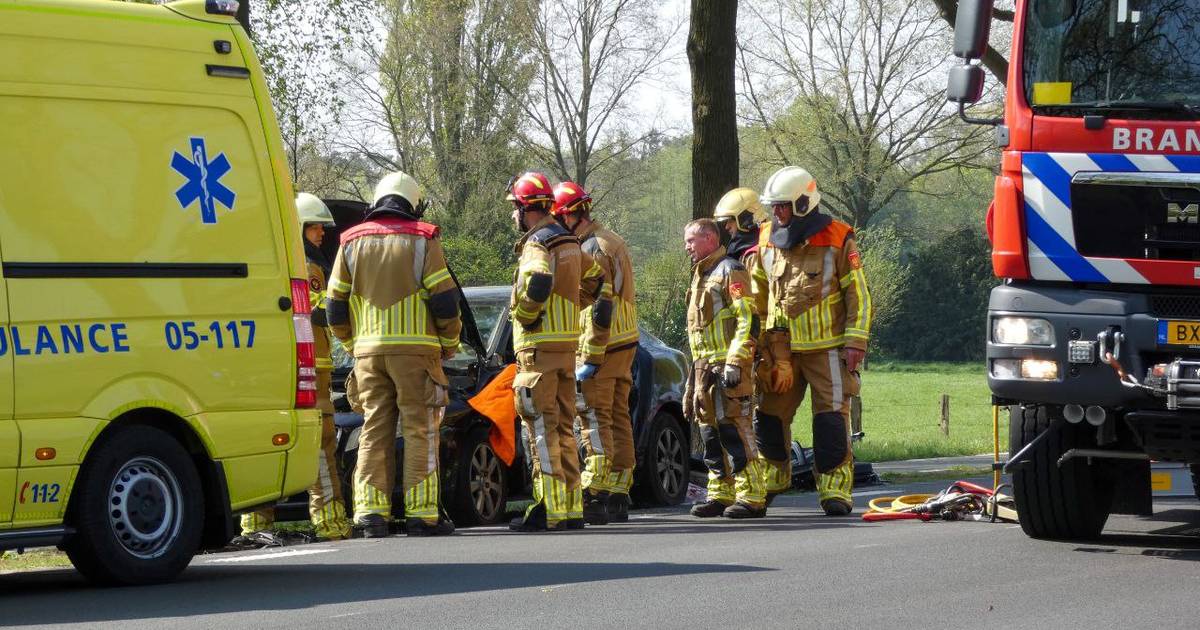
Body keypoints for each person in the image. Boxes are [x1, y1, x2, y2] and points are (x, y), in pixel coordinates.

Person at [326, 171, 462, 537]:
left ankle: (371, 515)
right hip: (417, 353)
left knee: (373, 430)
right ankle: (422, 515)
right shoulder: (423, 239)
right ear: (414, 203)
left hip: (368, 354)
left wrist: (352, 344)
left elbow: (334, 305)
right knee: (420, 430)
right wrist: (449, 341)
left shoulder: (350, 241)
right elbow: (445, 300)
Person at [754, 166, 872, 515]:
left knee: (830, 422)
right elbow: (758, 295)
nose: (776, 213)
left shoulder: (838, 238)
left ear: (804, 204)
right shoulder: (765, 238)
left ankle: (835, 492)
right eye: (773, 206)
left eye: (783, 206)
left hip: (827, 349)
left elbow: (859, 296)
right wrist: (757, 343)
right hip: (781, 352)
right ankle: (771, 482)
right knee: (770, 419)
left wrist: (855, 342)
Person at [236, 193, 352, 544]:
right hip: (311, 370)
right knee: (320, 446)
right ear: (300, 228)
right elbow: (320, 312)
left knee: (266, 444)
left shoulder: (266, 264)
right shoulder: (309, 266)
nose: (322, 234)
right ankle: (331, 524)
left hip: (268, 368)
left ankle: (255, 526)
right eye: (316, 227)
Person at [506, 171, 611, 532]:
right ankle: (568, 508)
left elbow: (538, 280)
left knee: (541, 428)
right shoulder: (570, 242)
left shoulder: (538, 243)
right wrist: (573, 307)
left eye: (514, 209)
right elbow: (597, 282)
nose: (513, 217)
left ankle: (548, 508)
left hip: (538, 352)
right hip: (567, 349)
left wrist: (525, 315)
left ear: (525, 208)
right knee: (564, 428)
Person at [551, 181, 639, 524]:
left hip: (602, 343)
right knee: (618, 416)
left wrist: (589, 354)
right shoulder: (607, 238)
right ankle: (618, 490)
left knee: (593, 416)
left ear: (570, 215)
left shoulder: (593, 247)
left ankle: (596, 491)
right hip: (624, 340)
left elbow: (597, 304)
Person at [682, 219, 768, 519]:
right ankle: (719, 494)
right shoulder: (699, 275)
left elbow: (748, 318)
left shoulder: (730, 270)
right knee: (709, 434)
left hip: (729, 369)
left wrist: (736, 359)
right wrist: (693, 380)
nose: (687, 247)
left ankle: (752, 496)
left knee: (735, 430)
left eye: (691, 240)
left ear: (709, 238)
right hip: (705, 369)